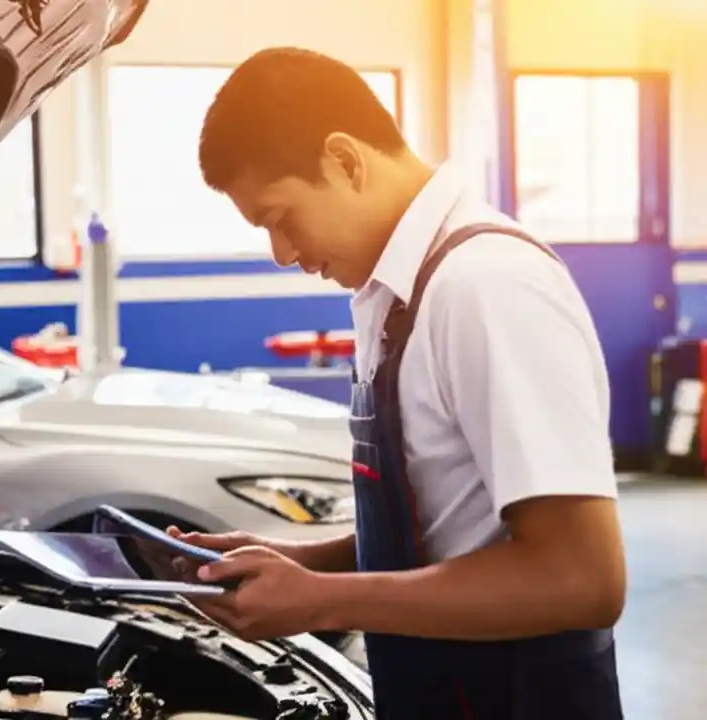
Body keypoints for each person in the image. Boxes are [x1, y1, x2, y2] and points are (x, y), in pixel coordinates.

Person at [170, 47, 626, 718]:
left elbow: (579, 579)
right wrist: (303, 561)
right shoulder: (398, 293)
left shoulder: (485, 287)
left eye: (279, 218)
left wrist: (321, 601)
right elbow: (451, 530)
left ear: (346, 161)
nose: (285, 255)